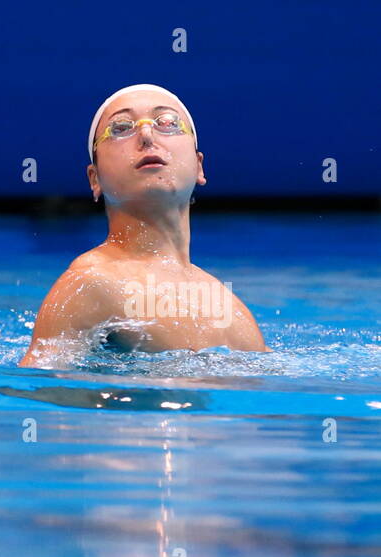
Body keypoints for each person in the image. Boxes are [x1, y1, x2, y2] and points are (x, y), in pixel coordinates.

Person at [19, 84, 267, 368]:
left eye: (168, 123)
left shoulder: (231, 309)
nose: (147, 135)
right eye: (121, 128)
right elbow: (36, 392)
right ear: (94, 179)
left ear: (199, 167)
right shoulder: (91, 283)